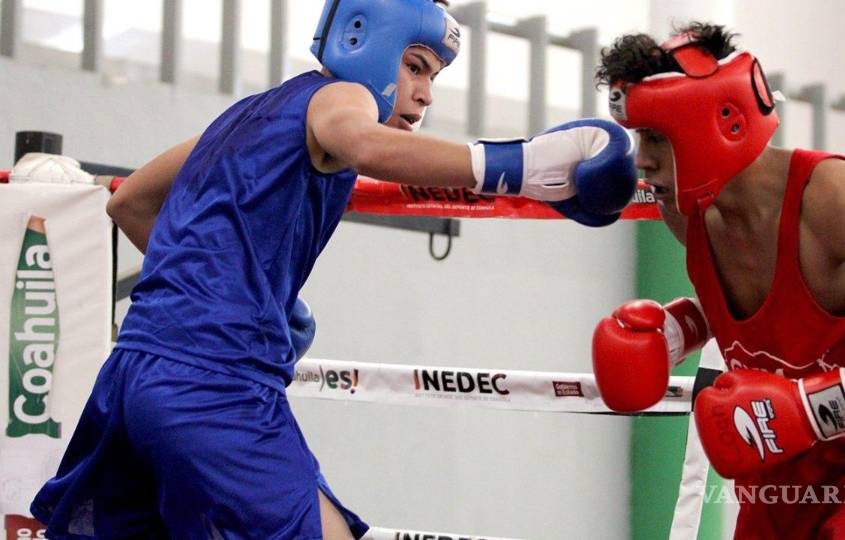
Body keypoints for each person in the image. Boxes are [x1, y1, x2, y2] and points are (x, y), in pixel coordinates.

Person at [29, 0, 638, 538]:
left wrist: (245, 287)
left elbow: (128, 199)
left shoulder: (245, 115)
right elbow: (365, 145)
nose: (425, 93)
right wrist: (521, 164)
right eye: (416, 65)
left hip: (135, 374)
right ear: (362, 38)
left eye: (434, 75)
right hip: (213, 385)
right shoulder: (340, 99)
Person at [590, 23, 845, 538]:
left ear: (715, 122)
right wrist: (679, 329)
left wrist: (811, 409)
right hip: (781, 447)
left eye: (654, 136)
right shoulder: (687, 209)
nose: (642, 159)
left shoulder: (833, 197)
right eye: (637, 137)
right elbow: (773, 308)